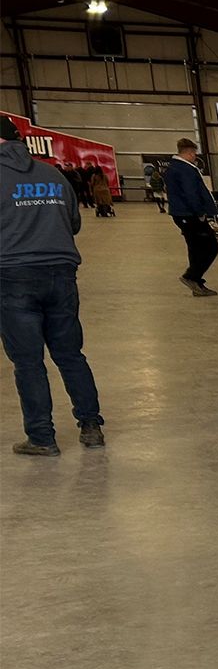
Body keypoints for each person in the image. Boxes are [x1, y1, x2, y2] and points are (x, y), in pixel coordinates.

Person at [0, 115, 105, 456]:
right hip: (61, 276)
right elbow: (73, 223)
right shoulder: (53, 175)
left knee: (29, 362)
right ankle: (91, 427)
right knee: (70, 354)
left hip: (13, 277)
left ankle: (42, 438)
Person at [164, 139, 218, 296]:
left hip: (183, 214)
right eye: (194, 153)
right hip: (189, 215)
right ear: (189, 152)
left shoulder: (174, 167)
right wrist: (200, 211)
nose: (195, 156)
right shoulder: (185, 169)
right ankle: (191, 277)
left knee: (195, 248)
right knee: (211, 247)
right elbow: (191, 193)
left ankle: (196, 282)